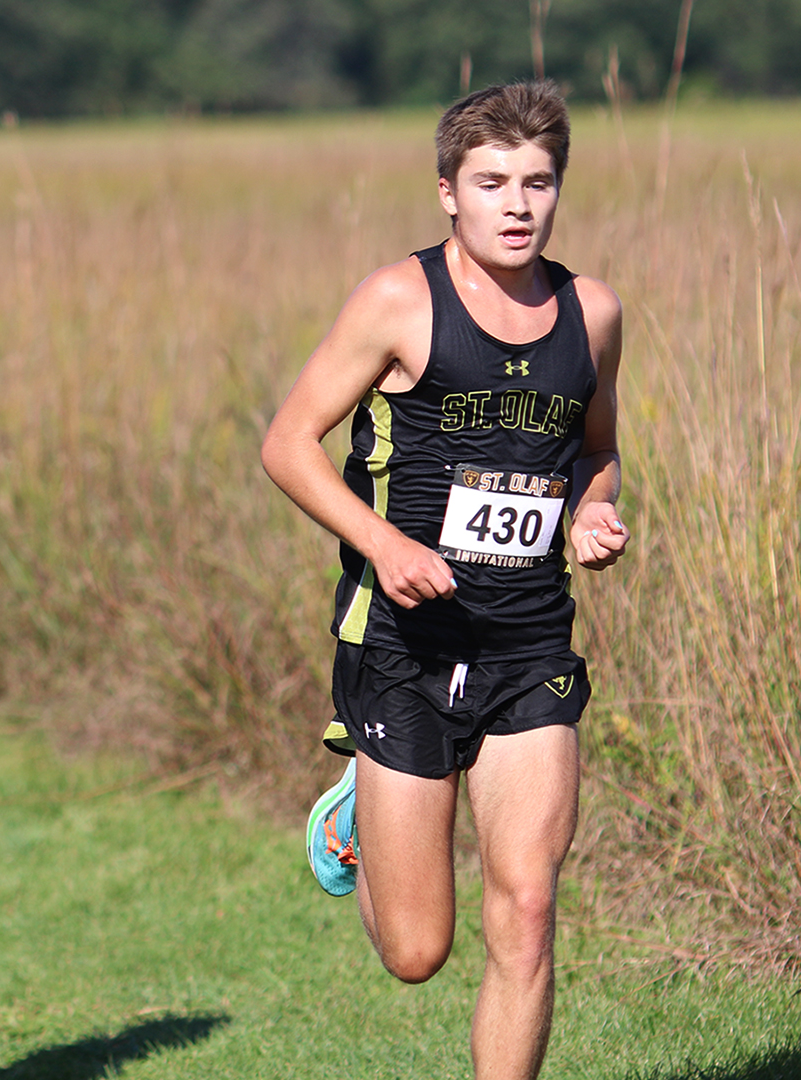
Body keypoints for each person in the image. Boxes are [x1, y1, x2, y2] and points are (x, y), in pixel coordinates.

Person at [260, 81, 628, 1080]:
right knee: (418, 952)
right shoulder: (397, 301)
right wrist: (381, 544)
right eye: (493, 182)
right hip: (402, 648)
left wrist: (593, 509)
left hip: (528, 645)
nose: (518, 204)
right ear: (447, 193)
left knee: (530, 908)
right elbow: (288, 443)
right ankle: (356, 814)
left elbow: (596, 450)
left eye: (539, 182)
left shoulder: (590, 313)